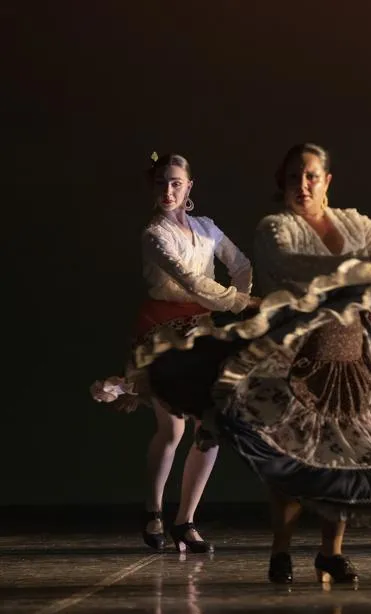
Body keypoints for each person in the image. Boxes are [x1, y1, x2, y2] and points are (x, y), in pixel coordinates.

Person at [134, 143, 371, 584]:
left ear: (327, 181)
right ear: (283, 184)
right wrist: (249, 300)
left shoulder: (350, 222)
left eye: (311, 176)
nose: (303, 185)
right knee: (292, 453)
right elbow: (293, 263)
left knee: (348, 454)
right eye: (294, 177)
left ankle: (330, 552)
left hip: (350, 352)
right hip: (293, 354)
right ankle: (276, 547)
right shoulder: (276, 226)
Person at [91, 152, 256, 553]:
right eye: (162, 182)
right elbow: (193, 282)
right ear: (154, 186)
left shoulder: (206, 228)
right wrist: (240, 304)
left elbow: (241, 264)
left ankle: (186, 521)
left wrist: (243, 297)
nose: (168, 190)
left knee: (209, 430)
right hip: (163, 333)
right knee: (173, 429)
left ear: (189, 187)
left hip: (201, 332)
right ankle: (153, 512)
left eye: (176, 183)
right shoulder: (154, 234)